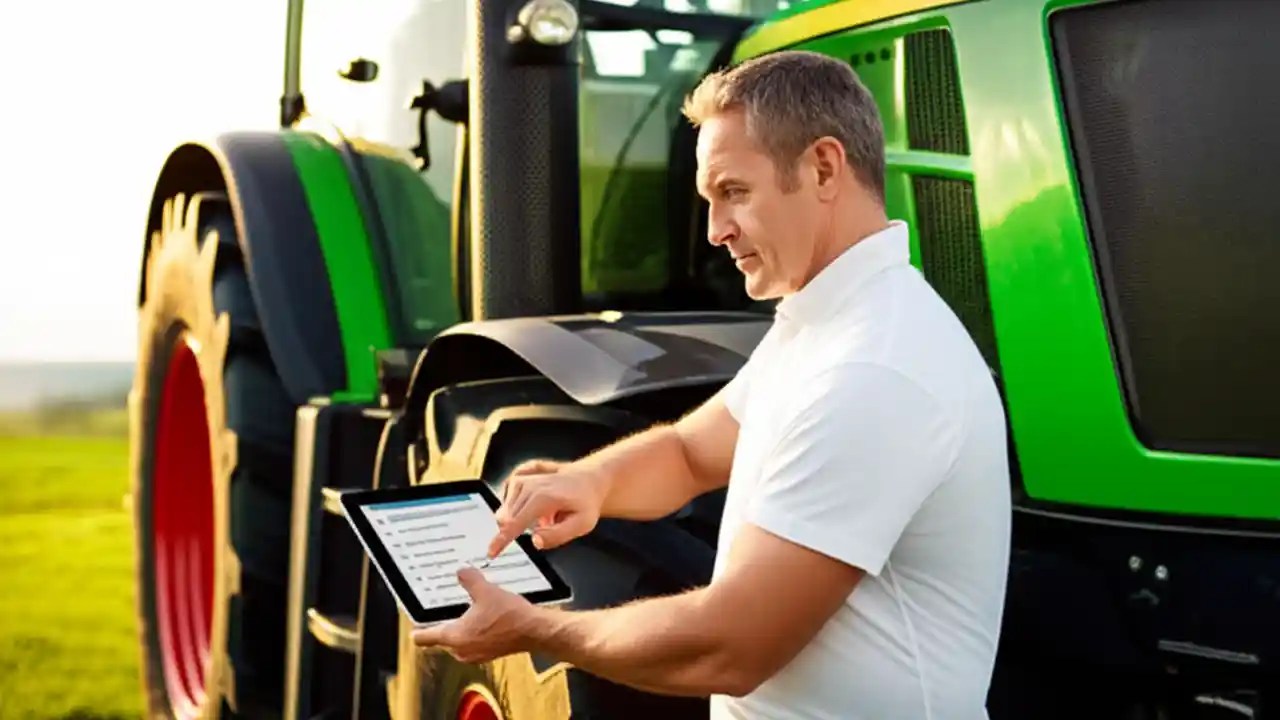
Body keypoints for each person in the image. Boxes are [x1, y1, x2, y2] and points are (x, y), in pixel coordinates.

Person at [413, 49, 1012, 719]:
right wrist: (591, 483)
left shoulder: (874, 371)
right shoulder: (823, 325)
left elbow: (730, 646)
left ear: (822, 168)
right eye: (709, 199)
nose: (715, 230)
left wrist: (536, 630)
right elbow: (691, 453)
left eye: (735, 192)